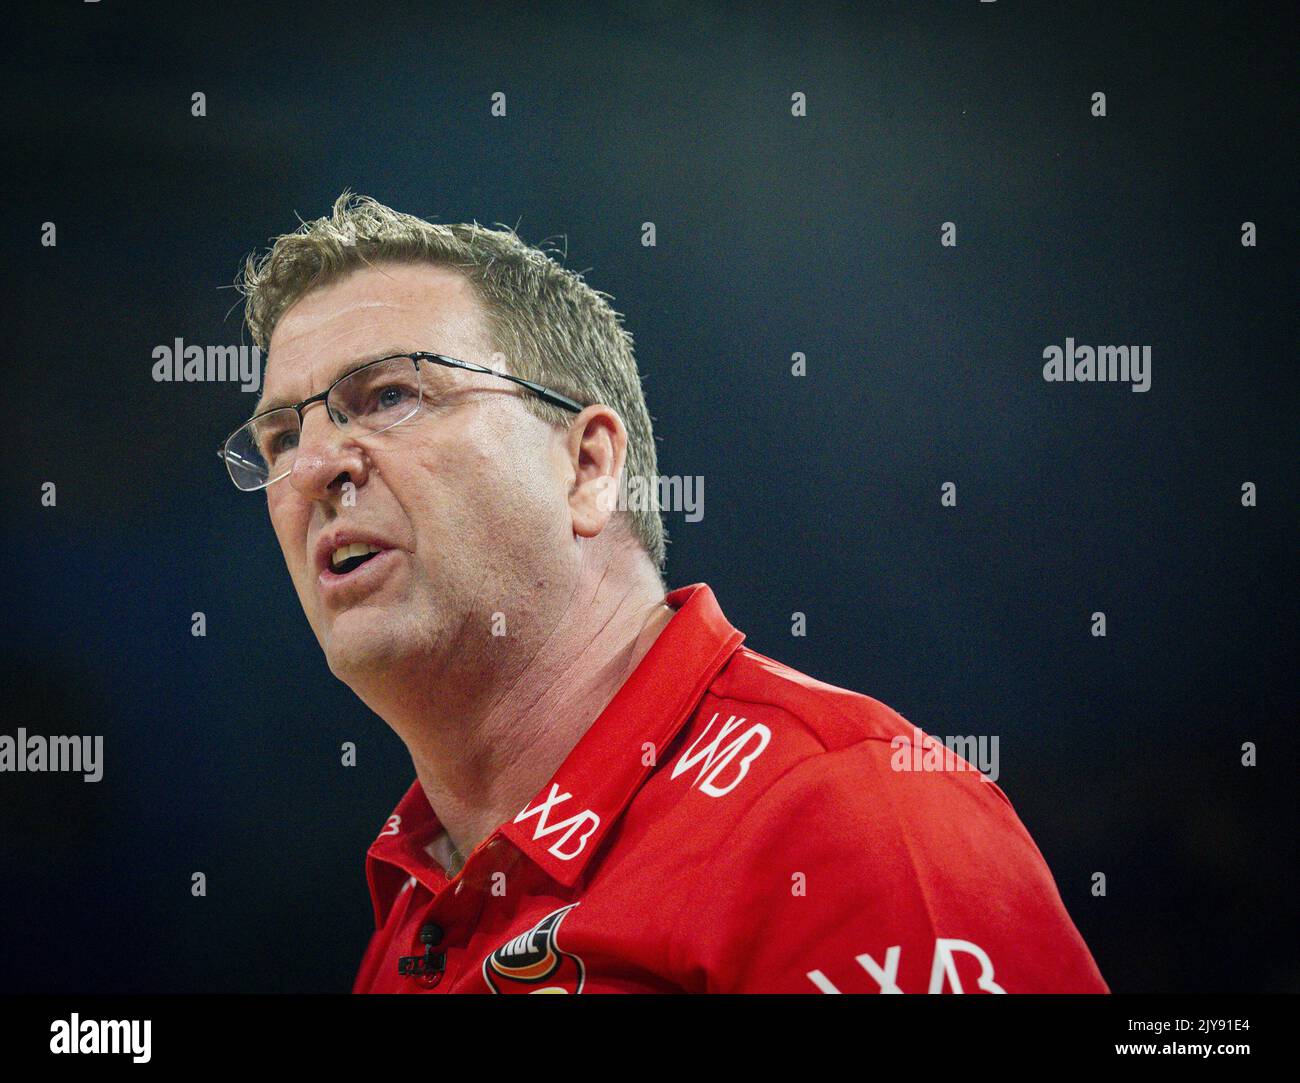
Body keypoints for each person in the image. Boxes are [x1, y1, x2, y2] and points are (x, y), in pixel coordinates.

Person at [218, 192, 1109, 993]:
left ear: (587, 465)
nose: (316, 465)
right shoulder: (415, 908)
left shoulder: (848, 812)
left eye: (389, 395)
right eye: (279, 438)